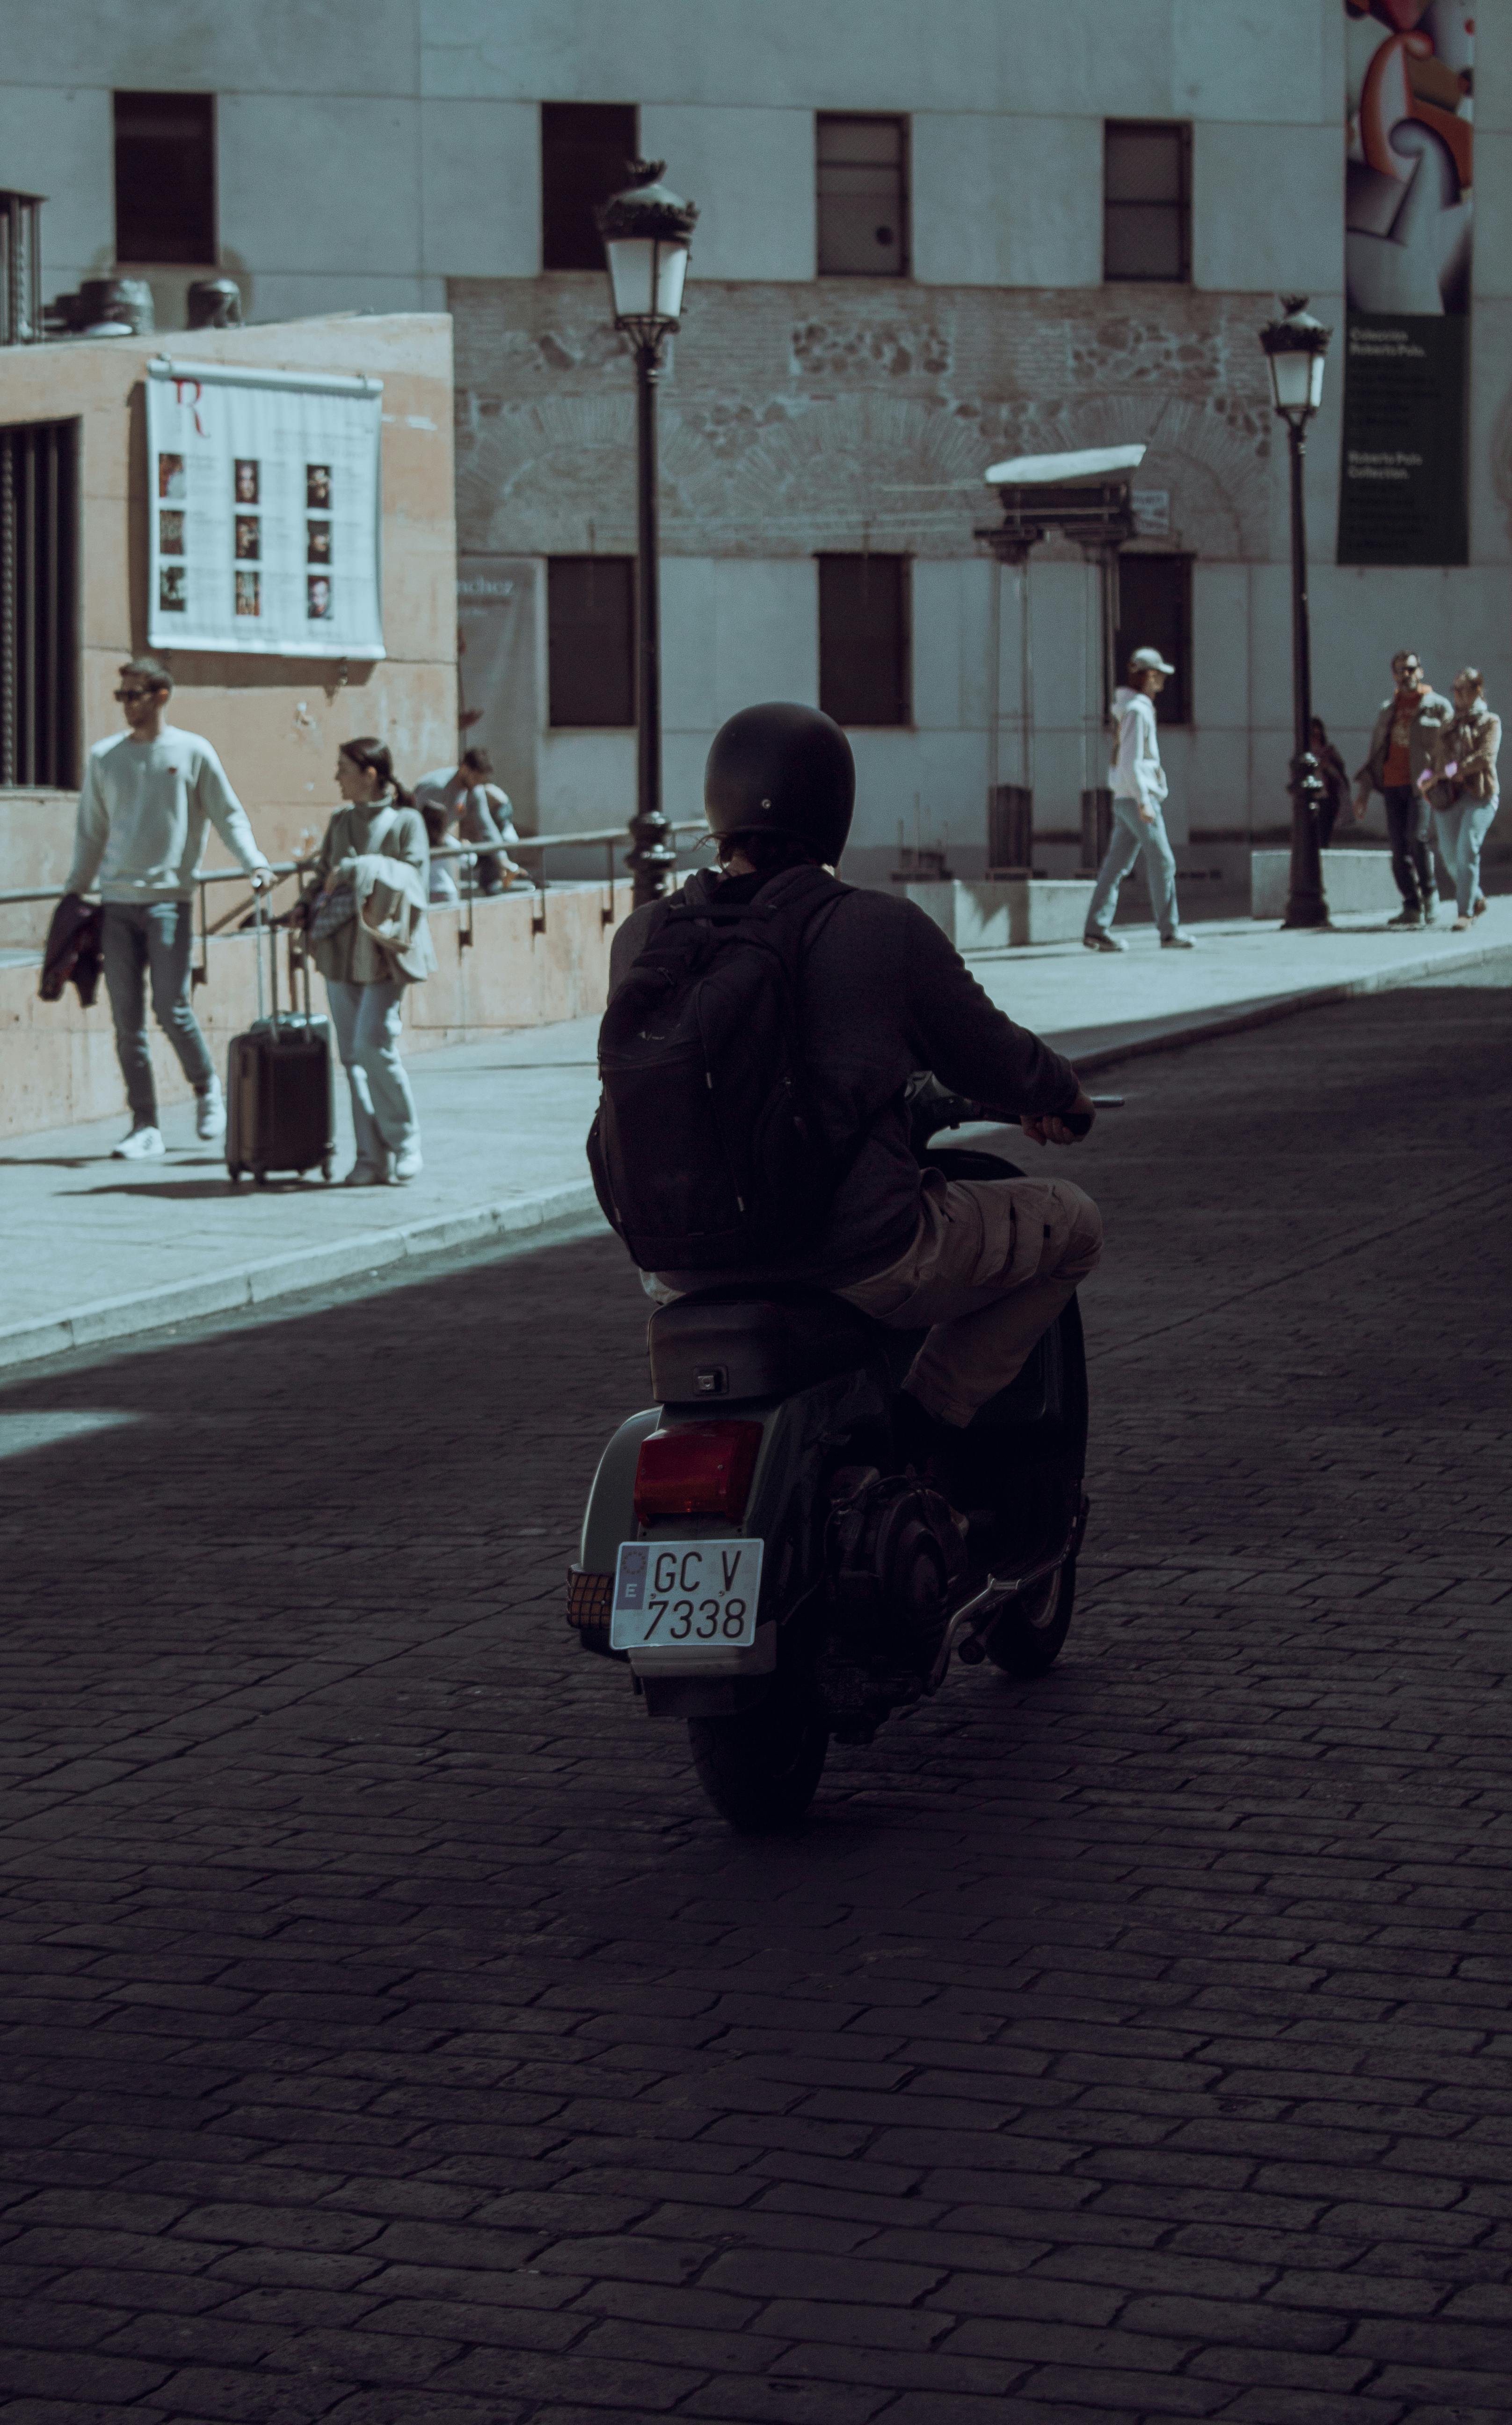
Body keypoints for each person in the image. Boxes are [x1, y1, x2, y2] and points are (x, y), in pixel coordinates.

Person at [608, 702, 1103, 1477]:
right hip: (859, 1254)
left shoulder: (644, 936)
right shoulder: (879, 927)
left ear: (718, 804)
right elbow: (993, 1056)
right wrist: (1061, 1095)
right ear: (833, 810)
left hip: (679, 1265)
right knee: (1070, 1225)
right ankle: (926, 1421)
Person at [63, 655, 271, 1160]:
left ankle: (207, 1091)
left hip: (170, 902)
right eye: (121, 696)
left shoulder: (192, 752)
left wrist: (256, 864)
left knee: (171, 1007)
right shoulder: (105, 758)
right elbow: (91, 832)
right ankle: (145, 1124)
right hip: (117, 903)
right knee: (126, 1021)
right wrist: (75, 892)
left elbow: (228, 815)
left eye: (134, 695)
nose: (126, 705)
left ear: (161, 695)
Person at [291, 739, 432, 1185]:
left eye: (344, 769)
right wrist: (305, 903)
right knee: (352, 1056)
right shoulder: (341, 821)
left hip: (386, 948)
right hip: (338, 947)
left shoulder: (408, 821)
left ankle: (405, 1141)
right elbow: (323, 876)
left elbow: (414, 879)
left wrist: (359, 868)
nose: (337, 778)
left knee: (375, 1044)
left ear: (371, 773)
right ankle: (370, 1158)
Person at [1083, 647, 1192, 951]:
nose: (1162, 681)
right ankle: (1169, 933)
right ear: (1147, 676)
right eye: (1158, 675)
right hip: (1136, 799)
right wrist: (1145, 799)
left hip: (1125, 797)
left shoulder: (1130, 708)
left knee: (1116, 865)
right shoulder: (1138, 710)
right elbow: (1132, 761)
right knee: (1163, 861)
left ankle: (1096, 930)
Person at [1354, 649, 1452, 928]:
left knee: (1417, 838)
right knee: (1398, 850)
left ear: (1420, 671)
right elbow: (1376, 754)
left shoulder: (1438, 706)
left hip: (1421, 787)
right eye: (1400, 671)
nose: (1405, 675)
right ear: (1393, 675)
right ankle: (1411, 904)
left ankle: (1430, 894)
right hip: (1392, 785)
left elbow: (1454, 749)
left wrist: (1442, 777)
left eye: (1410, 669)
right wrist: (1363, 794)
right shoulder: (1388, 710)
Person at [1423, 667, 1500, 932]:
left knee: (1467, 848)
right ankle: (1477, 899)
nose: (1456, 694)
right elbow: (1434, 760)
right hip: (1449, 799)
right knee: (1450, 857)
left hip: (1480, 795)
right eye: (1454, 689)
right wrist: (1425, 778)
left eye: (1463, 689)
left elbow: (1484, 758)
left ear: (1478, 691)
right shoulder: (1449, 724)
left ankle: (1464, 913)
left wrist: (1449, 772)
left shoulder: (1491, 722)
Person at [414, 749, 523, 895]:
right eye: (476, 778)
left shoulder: (474, 791)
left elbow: (487, 827)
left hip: (438, 846)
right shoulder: (436, 787)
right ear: (465, 769)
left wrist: (502, 860)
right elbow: (415, 820)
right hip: (419, 844)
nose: (478, 784)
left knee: (448, 892)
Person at [1309, 717, 1352, 851]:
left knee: (1324, 834)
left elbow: (1339, 774)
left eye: (1318, 735)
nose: (1315, 738)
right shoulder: (1305, 754)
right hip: (1311, 797)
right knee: (1312, 833)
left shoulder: (1329, 752)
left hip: (1327, 797)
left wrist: (1327, 767)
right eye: (1313, 735)